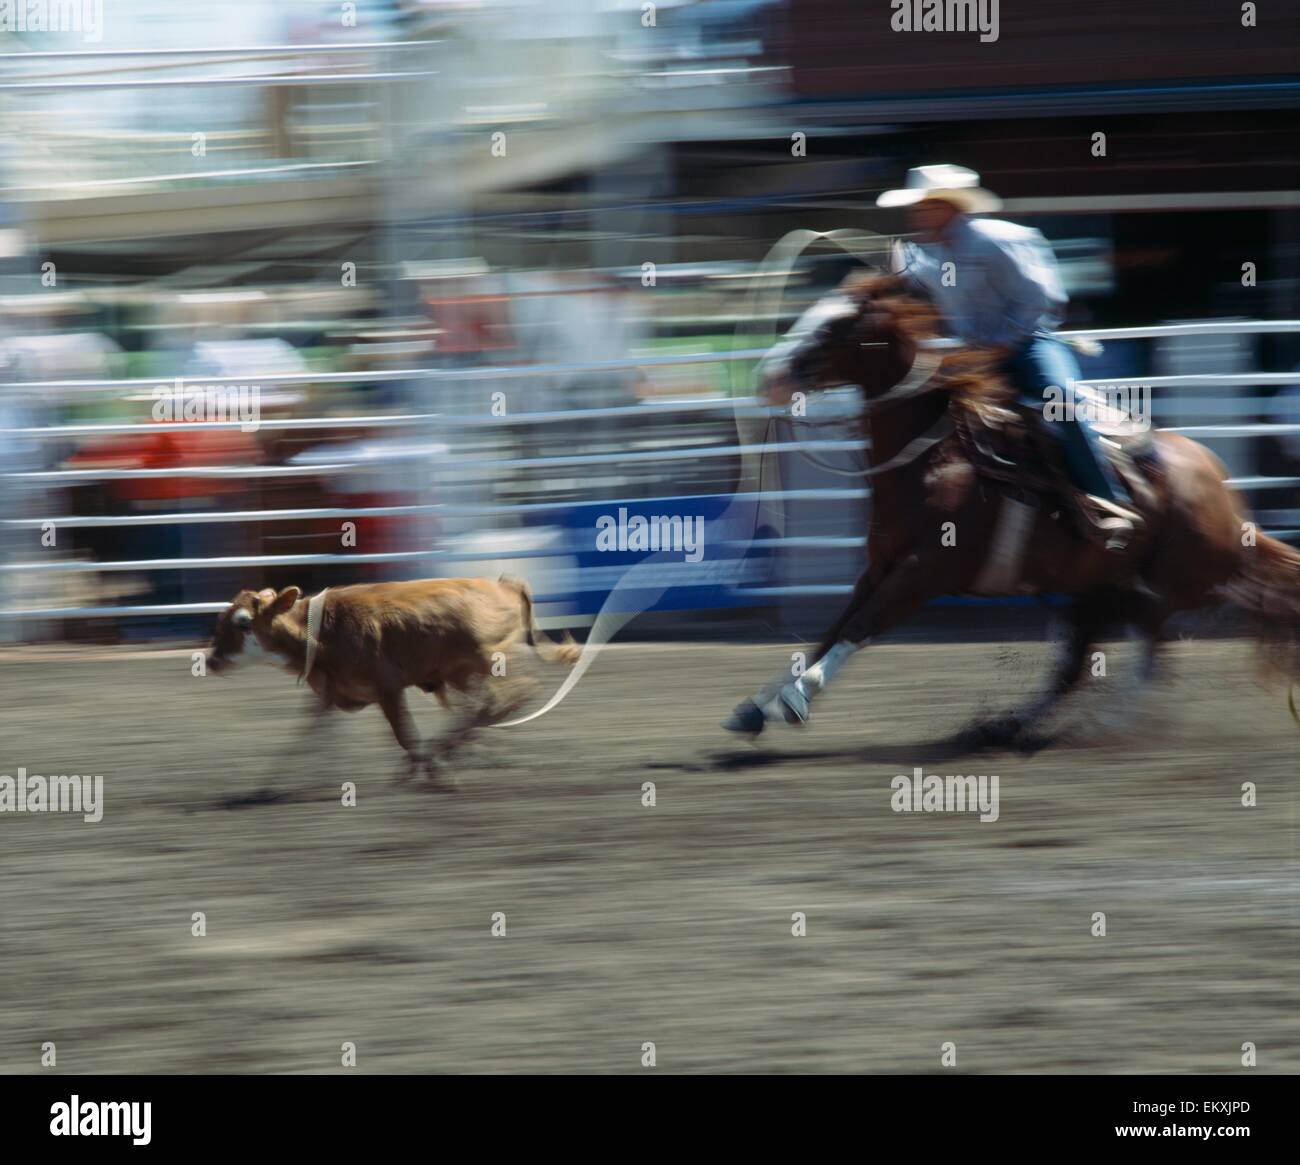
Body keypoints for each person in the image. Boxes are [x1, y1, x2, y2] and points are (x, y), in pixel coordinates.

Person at [878, 164, 1141, 550]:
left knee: (1061, 400)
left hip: (1028, 345)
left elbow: (1040, 299)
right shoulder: (925, 255)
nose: (917, 214)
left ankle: (1107, 501)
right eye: (916, 207)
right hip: (972, 354)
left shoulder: (1000, 240)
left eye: (926, 206)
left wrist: (1000, 345)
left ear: (950, 207)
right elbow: (917, 291)